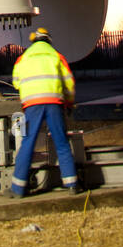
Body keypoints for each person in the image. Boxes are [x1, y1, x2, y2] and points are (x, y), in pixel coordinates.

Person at [10, 27, 80, 197]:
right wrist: (69, 103)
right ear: (49, 40)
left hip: (32, 104)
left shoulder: (23, 58)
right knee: (61, 142)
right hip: (54, 103)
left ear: (34, 40)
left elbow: (16, 82)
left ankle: (18, 188)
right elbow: (69, 83)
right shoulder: (57, 56)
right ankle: (71, 184)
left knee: (28, 143)